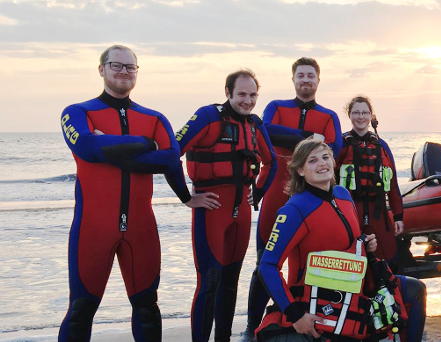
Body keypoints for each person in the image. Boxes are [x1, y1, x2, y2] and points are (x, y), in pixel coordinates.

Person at [58, 45, 217, 341]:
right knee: (81, 308)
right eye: (116, 65)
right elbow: (87, 148)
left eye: (130, 67)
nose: (124, 72)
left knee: (146, 306)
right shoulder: (77, 112)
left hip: (141, 229)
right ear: (101, 69)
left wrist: (186, 197)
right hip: (93, 229)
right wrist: (146, 144)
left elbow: (170, 159)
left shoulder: (155, 118)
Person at [254, 139, 426, 342]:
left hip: (353, 290)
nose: (322, 163)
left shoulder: (343, 195)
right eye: (312, 160)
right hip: (316, 301)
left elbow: (349, 240)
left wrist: (366, 244)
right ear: (300, 170)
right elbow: (267, 266)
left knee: (415, 290)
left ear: (333, 162)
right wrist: (295, 314)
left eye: (325, 157)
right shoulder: (294, 210)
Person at [175, 70, 277, 341]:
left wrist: (258, 192)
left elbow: (272, 163)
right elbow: (172, 151)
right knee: (209, 282)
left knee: (230, 283)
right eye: (242, 94)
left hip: (241, 213)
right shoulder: (208, 117)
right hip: (211, 212)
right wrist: (186, 197)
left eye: (253, 95)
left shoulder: (255, 124)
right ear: (228, 93)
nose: (248, 100)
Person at [247, 57, 343, 334]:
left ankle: (311, 321)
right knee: (264, 264)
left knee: (311, 266)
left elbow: (334, 149)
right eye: (301, 75)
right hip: (276, 196)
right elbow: (266, 131)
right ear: (293, 79)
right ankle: (253, 326)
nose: (306, 80)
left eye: (310, 75)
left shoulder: (329, 116)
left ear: (318, 80)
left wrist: (291, 138)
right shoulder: (276, 107)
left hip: (311, 202)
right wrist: (311, 137)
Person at [335, 96, 405, 267]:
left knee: (387, 257)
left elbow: (393, 184)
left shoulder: (382, 146)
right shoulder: (341, 145)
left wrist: (398, 216)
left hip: (379, 212)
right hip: (350, 211)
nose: (361, 117)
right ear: (349, 115)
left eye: (365, 113)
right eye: (356, 112)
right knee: (352, 258)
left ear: (371, 115)